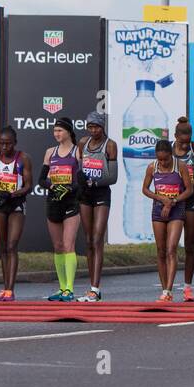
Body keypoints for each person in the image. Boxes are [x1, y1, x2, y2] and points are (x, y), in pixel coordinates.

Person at [0, 126, 32, 302]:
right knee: (3, 245)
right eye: (1, 144)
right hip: (0, 204)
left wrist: (15, 193)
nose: (4, 147)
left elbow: (29, 185)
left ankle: (10, 290)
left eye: (8, 144)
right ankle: (4, 288)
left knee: (12, 245)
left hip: (16, 204)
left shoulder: (23, 159)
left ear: (15, 143)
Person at [143, 139, 194, 302]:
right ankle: (165, 289)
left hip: (176, 209)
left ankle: (168, 290)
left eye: (166, 159)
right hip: (158, 209)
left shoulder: (180, 166)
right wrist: (160, 198)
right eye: (160, 159)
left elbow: (189, 190)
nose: (163, 162)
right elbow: (145, 189)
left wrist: (172, 201)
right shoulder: (152, 167)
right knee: (161, 250)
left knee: (171, 248)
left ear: (171, 155)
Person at [38, 118, 83, 301]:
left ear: (69, 132)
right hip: (54, 201)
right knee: (57, 247)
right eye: (55, 130)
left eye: (60, 131)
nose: (57, 134)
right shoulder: (50, 152)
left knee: (68, 245)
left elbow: (81, 179)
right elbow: (41, 180)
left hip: (71, 202)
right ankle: (62, 287)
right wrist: (52, 186)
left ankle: (70, 289)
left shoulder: (77, 151)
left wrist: (69, 188)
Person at [76, 111, 118, 303]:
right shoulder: (83, 143)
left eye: (97, 127)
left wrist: (94, 181)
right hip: (85, 195)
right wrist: (81, 178)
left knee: (97, 237)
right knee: (88, 240)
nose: (93, 130)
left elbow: (113, 177)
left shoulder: (110, 145)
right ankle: (91, 287)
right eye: (90, 127)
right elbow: (78, 168)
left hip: (101, 193)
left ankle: (95, 287)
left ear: (103, 127)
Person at [171, 117, 194, 301]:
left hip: (191, 198)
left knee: (190, 245)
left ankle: (187, 288)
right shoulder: (169, 149)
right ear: (175, 136)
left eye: (188, 140)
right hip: (172, 199)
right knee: (169, 246)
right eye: (181, 141)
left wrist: (188, 185)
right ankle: (167, 288)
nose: (185, 145)